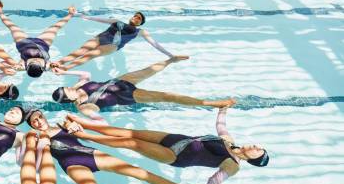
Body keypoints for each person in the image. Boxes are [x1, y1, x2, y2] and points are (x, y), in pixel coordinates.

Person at [25, 109, 217, 184]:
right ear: (31, 125)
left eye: (40, 116)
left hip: (92, 154)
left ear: (44, 116)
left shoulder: (62, 124)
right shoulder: (34, 137)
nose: (39, 121)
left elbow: (78, 123)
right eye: (34, 121)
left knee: (138, 172)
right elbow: (32, 159)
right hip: (72, 164)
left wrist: (74, 125)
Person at [64, 107, 269, 184]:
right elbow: (221, 124)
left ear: (253, 159)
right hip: (176, 139)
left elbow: (216, 180)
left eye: (258, 152)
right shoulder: (229, 140)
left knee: (132, 143)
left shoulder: (232, 165)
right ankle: (82, 123)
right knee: (129, 132)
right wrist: (223, 108)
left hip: (177, 156)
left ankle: (84, 135)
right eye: (259, 146)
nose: (255, 147)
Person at [51, 58, 235, 120]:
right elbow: (96, 118)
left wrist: (65, 72)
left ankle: (171, 60)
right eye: (69, 91)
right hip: (128, 95)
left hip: (120, 81)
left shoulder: (76, 88)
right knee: (166, 96)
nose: (71, 88)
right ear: (69, 99)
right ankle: (212, 103)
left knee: (149, 69)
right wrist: (91, 119)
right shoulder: (83, 106)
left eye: (67, 87)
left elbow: (85, 75)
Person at [50, 11, 188, 70]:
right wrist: (76, 14)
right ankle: (59, 62)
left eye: (139, 18)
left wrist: (171, 56)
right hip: (101, 38)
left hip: (113, 45)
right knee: (81, 50)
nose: (136, 18)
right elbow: (94, 18)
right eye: (135, 16)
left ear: (141, 23)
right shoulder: (117, 21)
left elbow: (155, 45)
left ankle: (65, 67)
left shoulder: (140, 31)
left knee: (90, 54)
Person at [0, 1, 76, 78]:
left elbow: (5, 64)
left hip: (24, 43)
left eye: (32, 62)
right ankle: (70, 14)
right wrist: (57, 66)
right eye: (38, 63)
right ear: (42, 68)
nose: (36, 60)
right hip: (43, 44)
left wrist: (11, 67)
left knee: (12, 27)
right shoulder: (47, 67)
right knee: (55, 28)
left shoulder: (22, 67)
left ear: (28, 67)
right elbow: (62, 66)